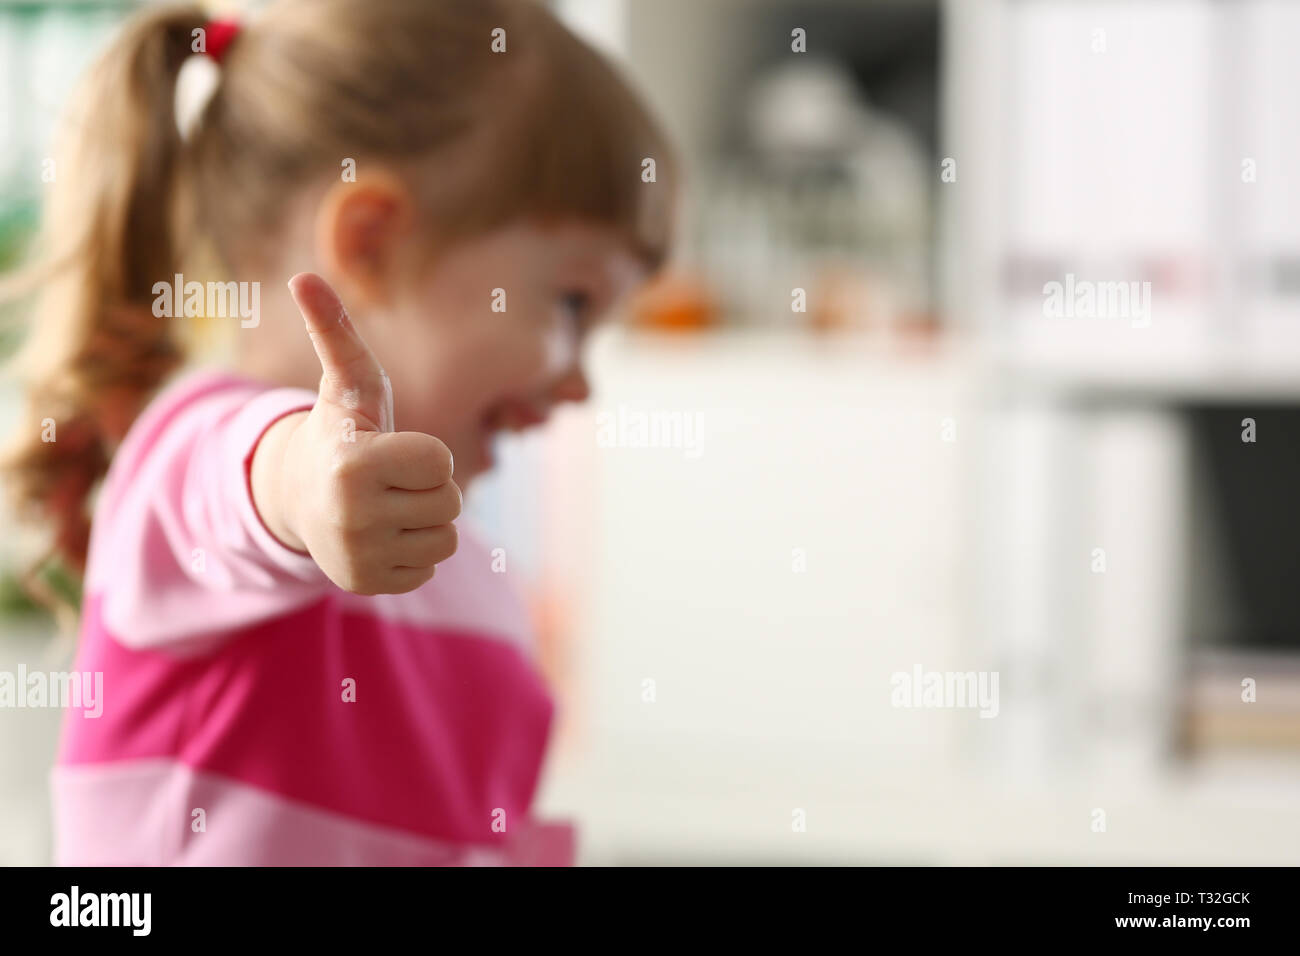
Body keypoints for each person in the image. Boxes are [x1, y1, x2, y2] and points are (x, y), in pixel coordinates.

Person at [1, 0, 678, 865]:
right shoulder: (195, 451)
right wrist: (306, 487)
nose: (580, 382)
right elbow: (249, 490)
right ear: (372, 241)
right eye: (573, 305)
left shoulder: (468, 576)